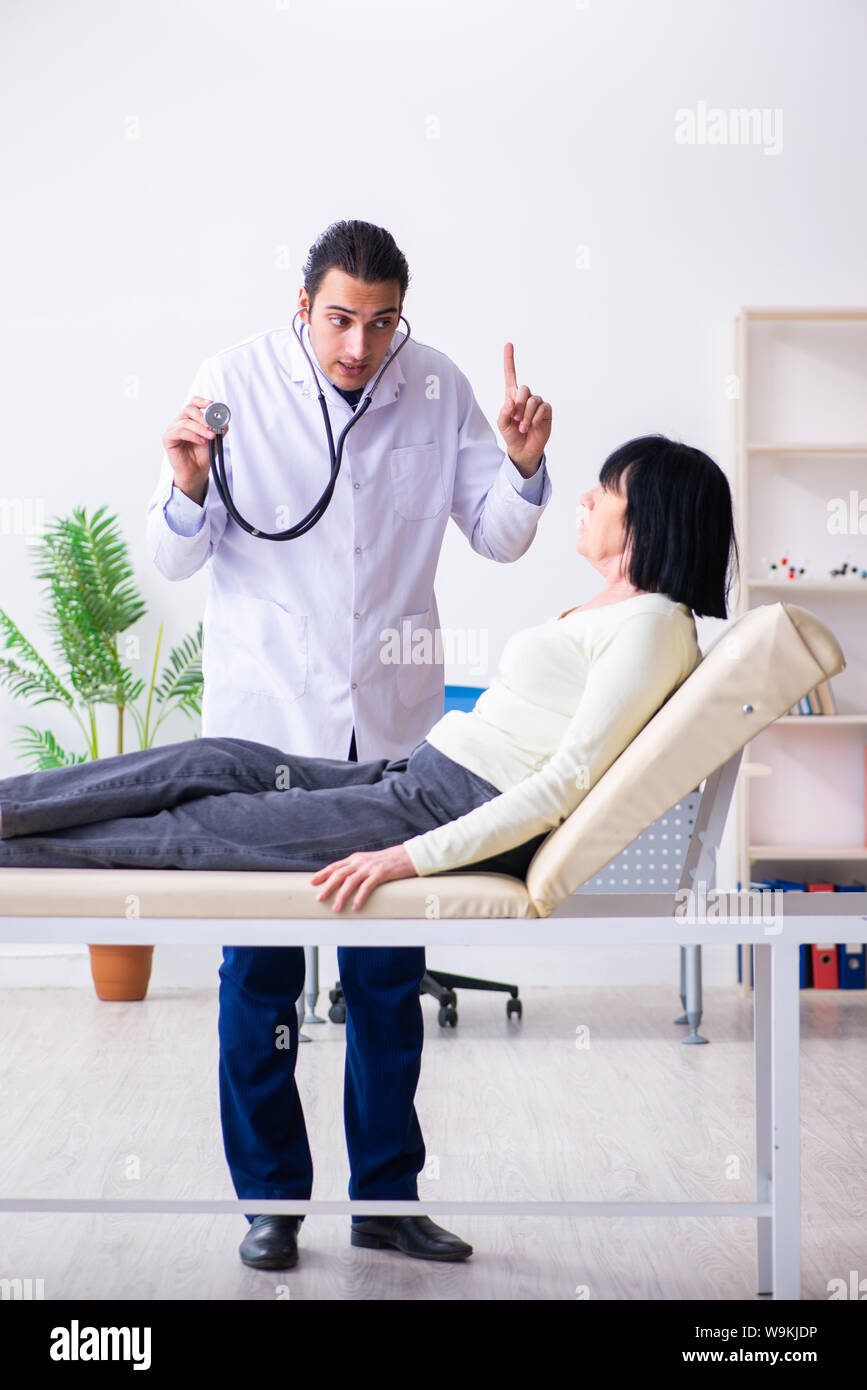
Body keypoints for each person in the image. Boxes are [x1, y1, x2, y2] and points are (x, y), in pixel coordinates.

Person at [0, 433, 739, 1269]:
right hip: (409, 774)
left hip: (429, 807)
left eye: (605, 492)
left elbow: (565, 782)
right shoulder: (619, 607)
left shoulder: (651, 627)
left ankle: (384, 1207)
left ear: (652, 518)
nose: (586, 501)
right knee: (211, 761)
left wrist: (408, 855)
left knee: (193, 837)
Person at [145, 219, 553, 1268]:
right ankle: (271, 1204)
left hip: (392, 732)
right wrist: (188, 484)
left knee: (384, 981)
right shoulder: (233, 381)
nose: (360, 346)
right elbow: (176, 559)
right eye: (340, 319)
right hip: (266, 727)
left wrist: (521, 467)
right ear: (303, 305)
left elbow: (501, 536)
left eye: (380, 323)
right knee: (260, 979)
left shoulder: (438, 384)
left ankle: (386, 1197)